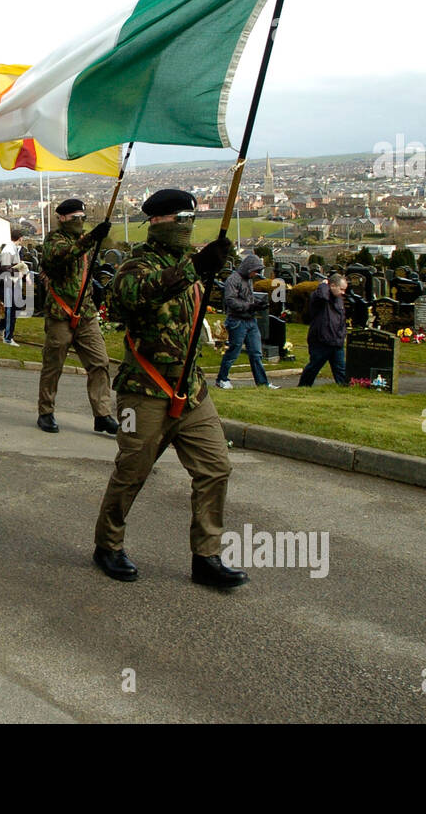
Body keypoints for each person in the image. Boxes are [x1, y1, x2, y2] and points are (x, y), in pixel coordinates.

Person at [91, 189, 247, 588]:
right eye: (179, 219)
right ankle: (107, 545)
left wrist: (205, 266)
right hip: (143, 391)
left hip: (191, 391)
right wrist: (195, 267)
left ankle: (206, 557)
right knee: (132, 472)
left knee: (216, 469)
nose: (186, 227)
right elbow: (130, 299)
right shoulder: (136, 265)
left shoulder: (190, 265)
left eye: (190, 220)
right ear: (156, 222)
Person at [37, 199, 116, 434]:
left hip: (86, 312)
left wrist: (95, 240)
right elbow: (62, 256)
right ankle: (46, 411)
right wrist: (91, 238)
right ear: (62, 218)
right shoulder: (54, 240)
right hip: (60, 313)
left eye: (82, 218)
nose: (79, 222)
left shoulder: (88, 245)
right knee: (53, 365)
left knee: (100, 363)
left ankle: (102, 414)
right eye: (74, 218)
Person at [215, 252, 278, 390]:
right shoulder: (233, 279)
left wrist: (258, 303)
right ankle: (222, 379)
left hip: (250, 320)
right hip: (237, 321)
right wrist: (250, 306)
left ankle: (262, 383)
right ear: (249, 268)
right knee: (233, 351)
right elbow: (230, 301)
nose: (256, 274)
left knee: (256, 353)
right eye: (255, 271)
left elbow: (248, 298)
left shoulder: (248, 280)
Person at [298, 273, 348, 387]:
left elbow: (341, 318)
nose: (343, 293)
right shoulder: (319, 296)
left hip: (336, 340)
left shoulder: (338, 299)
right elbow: (323, 296)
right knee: (314, 367)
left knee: (341, 370)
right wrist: (324, 285)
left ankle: (344, 389)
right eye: (341, 289)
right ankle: (303, 387)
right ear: (333, 285)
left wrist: (342, 335)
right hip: (321, 340)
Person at [0, 231, 25, 346]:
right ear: (20, 238)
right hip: (8, 283)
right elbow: (5, 268)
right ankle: (8, 338)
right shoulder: (9, 249)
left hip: (12, 283)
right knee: (10, 310)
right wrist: (18, 269)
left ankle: (0, 326)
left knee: (13, 309)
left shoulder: (13, 248)